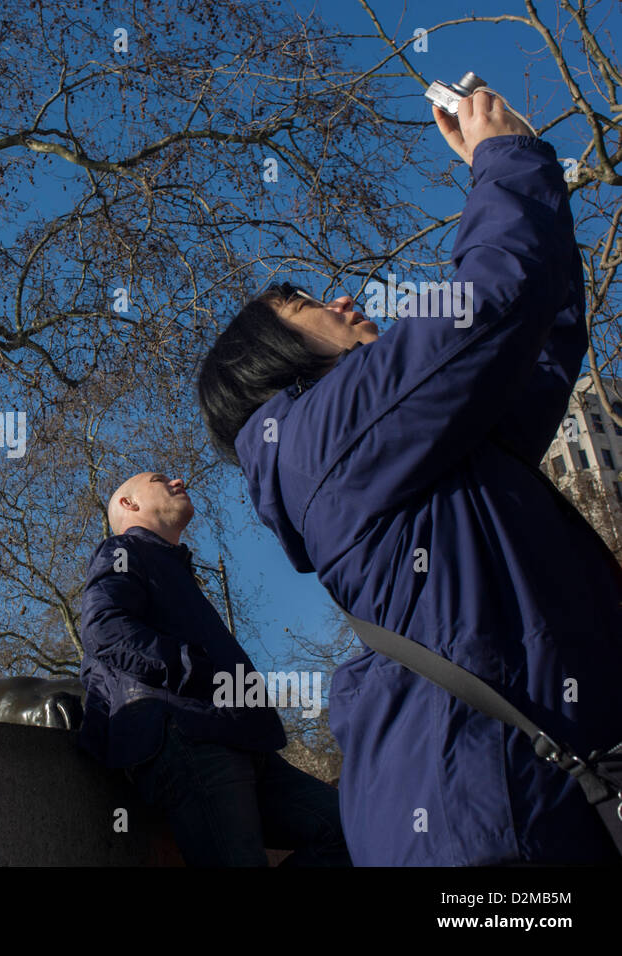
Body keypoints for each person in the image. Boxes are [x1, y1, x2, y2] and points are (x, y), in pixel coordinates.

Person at [197, 91, 622, 865]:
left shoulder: (382, 445)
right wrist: (501, 159)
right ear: (265, 357)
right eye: (301, 302)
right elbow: (488, 304)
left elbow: (530, 348)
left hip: (511, 805)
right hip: (491, 820)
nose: (342, 297)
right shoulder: (320, 432)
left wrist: (530, 180)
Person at [77, 470, 351, 866]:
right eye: (160, 479)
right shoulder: (122, 551)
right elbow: (104, 629)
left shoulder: (171, 565)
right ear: (129, 504)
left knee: (348, 830)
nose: (179, 481)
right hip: (189, 735)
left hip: (239, 739)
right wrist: (195, 669)